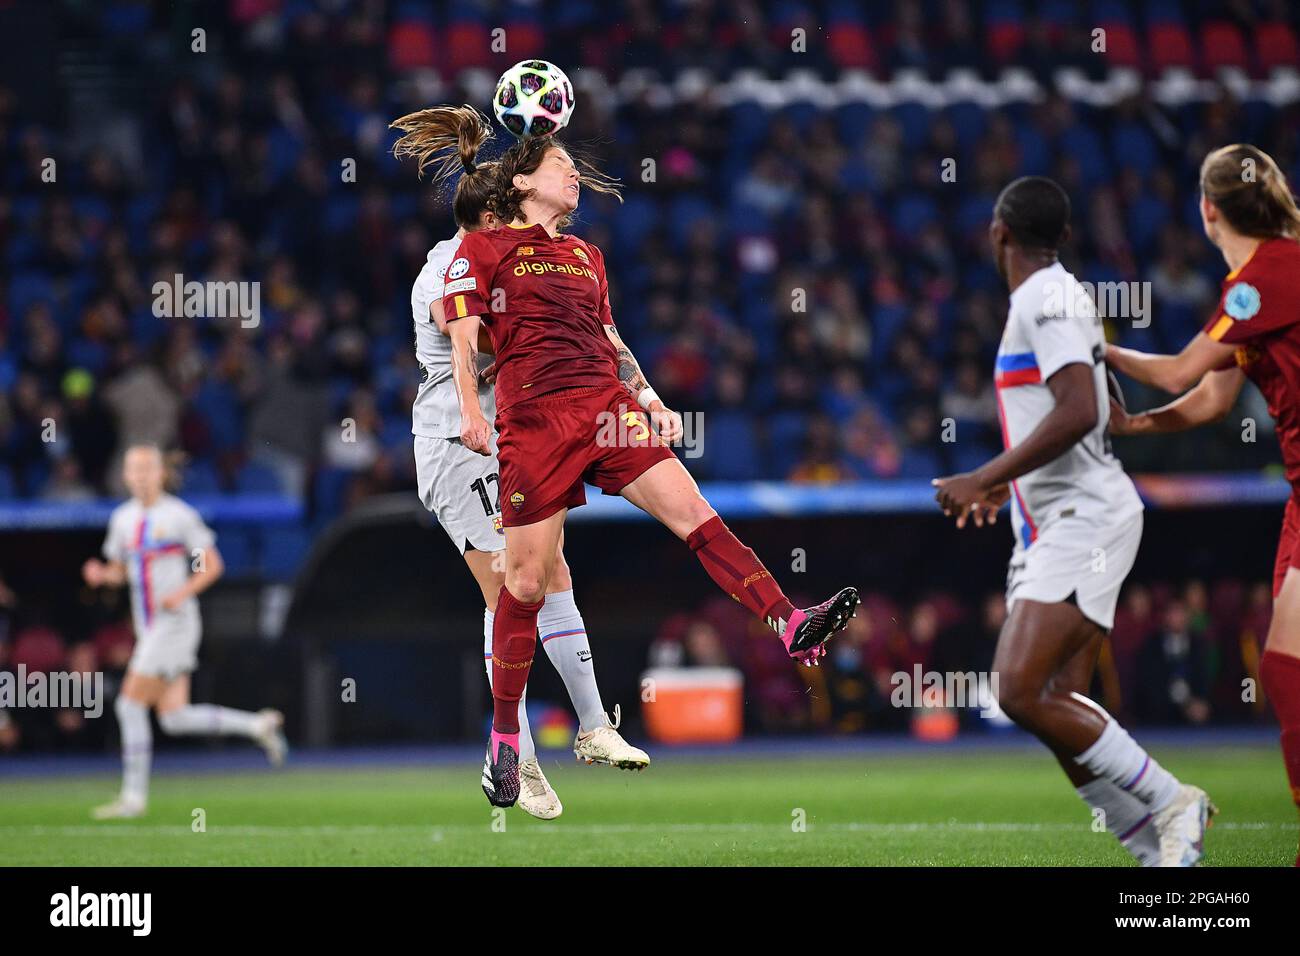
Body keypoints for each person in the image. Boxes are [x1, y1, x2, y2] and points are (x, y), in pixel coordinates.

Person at [443, 136, 859, 807]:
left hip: (606, 409)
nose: (574, 175)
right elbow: (462, 332)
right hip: (537, 421)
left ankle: (788, 622)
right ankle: (504, 742)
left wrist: (651, 398)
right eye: (560, 167)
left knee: (695, 514)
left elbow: (609, 338)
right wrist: (470, 409)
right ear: (521, 184)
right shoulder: (485, 248)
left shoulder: (587, 256)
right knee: (524, 580)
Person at [932, 176, 1212, 866]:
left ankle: (1173, 798)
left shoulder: (1045, 296)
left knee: (1019, 691)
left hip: (1083, 518)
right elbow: (1093, 406)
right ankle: (1155, 853)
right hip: (1059, 516)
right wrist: (1010, 485)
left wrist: (984, 475)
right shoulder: (1062, 294)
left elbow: (1082, 408)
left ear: (1000, 233)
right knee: (1060, 704)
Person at [391, 106, 649, 820]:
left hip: (513, 437)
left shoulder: (505, 257)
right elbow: (490, 351)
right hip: (457, 440)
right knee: (512, 582)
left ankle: (576, 732)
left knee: (540, 579)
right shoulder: (454, 266)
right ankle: (523, 754)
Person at [1107, 144, 1300, 866]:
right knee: (1286, 666)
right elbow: (1210, 400)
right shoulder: (1264, 283)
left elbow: (1184, 368)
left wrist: (1101, 353)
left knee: (1285, 666)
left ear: (1208, 209)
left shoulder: (1260, 283)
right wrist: (1132, 425)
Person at [82, 444, 286, 819]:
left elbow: (212, 565)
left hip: (175, 625)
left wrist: (182, 593)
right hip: (148, 628)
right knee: (173, 717)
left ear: (161, 473)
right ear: (125, 476)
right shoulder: (123, 520)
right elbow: (121, 571)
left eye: (147, 468)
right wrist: (101, 575)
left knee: (128, 705)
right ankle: (258, 725)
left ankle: (133, 799)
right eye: (133, 469)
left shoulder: (179, 516)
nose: (140, 476)